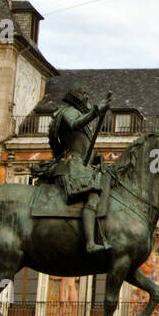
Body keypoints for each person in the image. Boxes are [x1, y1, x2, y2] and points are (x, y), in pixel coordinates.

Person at [46, 87, 113, 255]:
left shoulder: (75, 112)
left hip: (81, 164)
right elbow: (76, 124)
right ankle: (90, 243)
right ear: (77, 97)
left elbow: (84, 146)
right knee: (93, 196)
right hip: (72, 165)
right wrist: (96, 112)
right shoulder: (68, 112)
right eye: (85, 96)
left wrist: (96, 158)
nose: (87, 99)